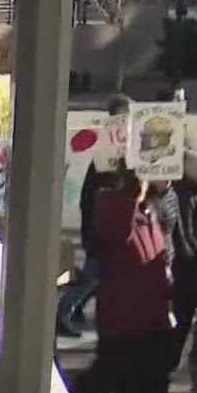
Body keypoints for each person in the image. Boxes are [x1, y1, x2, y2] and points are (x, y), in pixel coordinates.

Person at [50, 171, 175, 393]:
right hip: (125, 313)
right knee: (104, 374)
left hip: (151, 310)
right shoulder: (116, 206)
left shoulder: (148, 211)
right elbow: (116, 231)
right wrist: (136, 193)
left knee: (154, 378)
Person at [59, 96, 134, 336]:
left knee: (104, 272)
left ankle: (75, 306)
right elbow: (91, 192)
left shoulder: (124, 146)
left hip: (109, 218)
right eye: (124, 114)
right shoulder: (103, 147)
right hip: (98, 220)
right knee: (94, 272)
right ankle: (62, 312)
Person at [173, 150, 197, 362]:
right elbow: (185, 233)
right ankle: (176, 360)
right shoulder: (185, 194)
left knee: (196, 319)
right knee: (187, 319)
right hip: (190, 269)